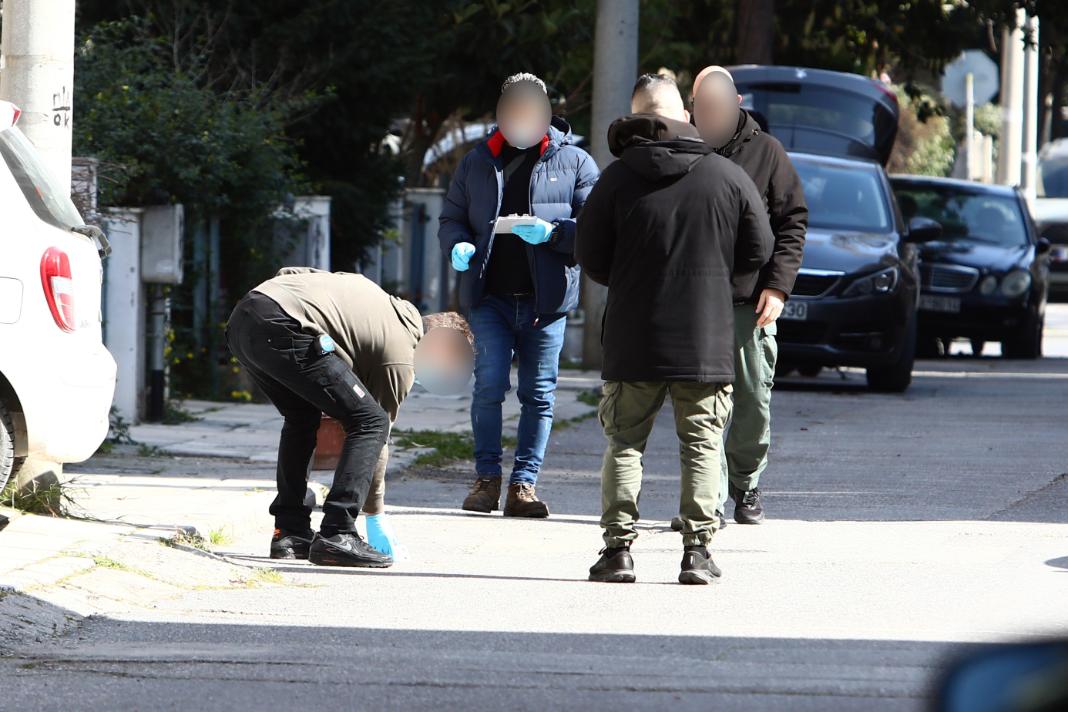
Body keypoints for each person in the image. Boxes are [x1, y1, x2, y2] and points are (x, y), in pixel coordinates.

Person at [576, 112, 774, 585]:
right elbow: (760, 247)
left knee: (624, 442)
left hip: (632, 334)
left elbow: (588, 252)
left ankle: (617, 551)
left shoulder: (617, 178)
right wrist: (721, 284)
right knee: (703, 443)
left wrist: (626, 277)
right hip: (705, 335)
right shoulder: (727, 176)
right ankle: (697, 552)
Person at [226, 267, 473, 568]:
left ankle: (290, 532)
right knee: (371, 421)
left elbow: (289, 272)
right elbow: (377, 435)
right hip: (284, 325)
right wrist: (375, 514)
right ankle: (338, 532)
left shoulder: (375, 297)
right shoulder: (400, 354)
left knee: (301, 417)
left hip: (245, 318)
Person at [438, 72, 599, 518]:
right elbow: (452, 218)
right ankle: (486, 480)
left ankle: (523, 484)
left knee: (538, 394)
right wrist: (458, 245)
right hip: (489, 295)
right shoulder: (477, 161)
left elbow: (596, 228)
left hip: (546, 302)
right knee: (488, 385)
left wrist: (554, 233)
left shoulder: (576, 162)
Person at [688, 66, 808, 525]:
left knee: (753, 402)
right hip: (696, 302)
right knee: (703, 407)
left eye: (717, 107)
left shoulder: (767, 152)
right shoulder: (684, 148)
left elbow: (793, 221)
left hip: (750, 303)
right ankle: (711, 498)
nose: (709, 116)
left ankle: (746, 482)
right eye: (702, 109)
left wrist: (778, 286)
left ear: (737, 103)